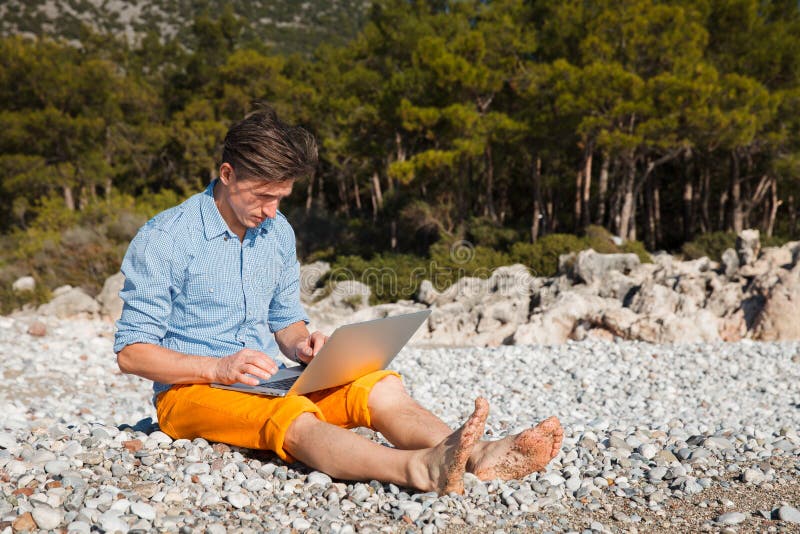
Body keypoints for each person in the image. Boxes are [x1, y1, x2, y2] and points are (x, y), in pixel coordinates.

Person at [114, 106, 563, 495]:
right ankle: (420, 469)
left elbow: (285, 321)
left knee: (377, 383)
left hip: (267, 380)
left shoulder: (277, 232)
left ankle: (478, 456)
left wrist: (304, 345)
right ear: (227, 175)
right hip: (189, 394)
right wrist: (217, 368)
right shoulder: (165, 238)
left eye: (282, 197)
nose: (272, 211)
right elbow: (132, 354)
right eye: (263, 196)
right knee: (293, 415)